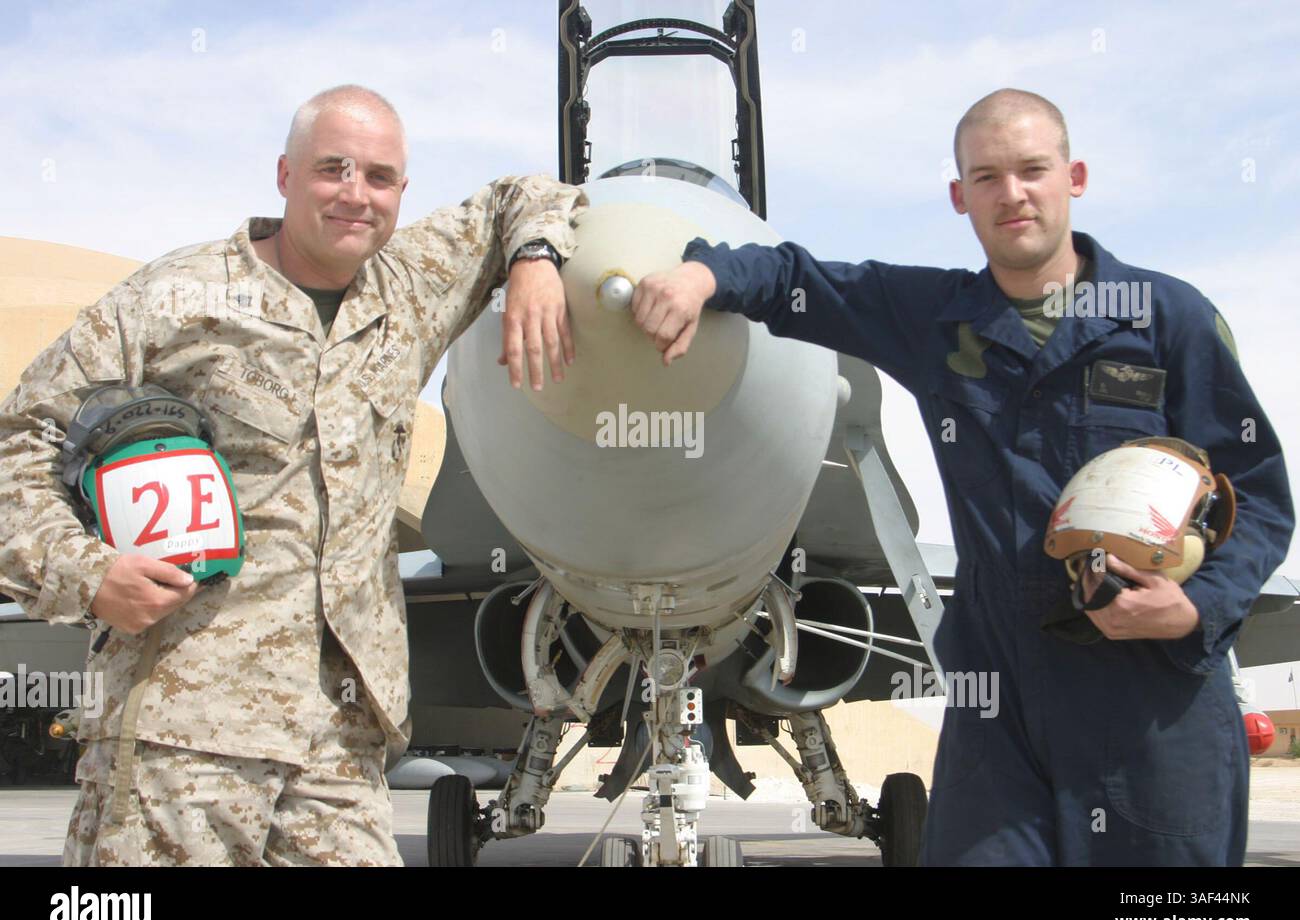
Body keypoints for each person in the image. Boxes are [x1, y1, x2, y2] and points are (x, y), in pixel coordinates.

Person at [628, 88, 1294, 865]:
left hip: (1150, 696)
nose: (1012, 194)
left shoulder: (1166, 319)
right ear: (959, 196)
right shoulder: (935, 318)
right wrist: (702, 277)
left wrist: (1195, 608)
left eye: (1032, 170)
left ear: (1073, 177)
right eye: (986, 177)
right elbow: (794, 280)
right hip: (999, 706)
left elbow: (1260, 495)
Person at [0, 84, 587, 865]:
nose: (356, 194)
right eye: (332, 169)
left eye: (379, 177)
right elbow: (21, 447)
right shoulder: (177, 297)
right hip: (183, 728)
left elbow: (530, 194)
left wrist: (536, 261)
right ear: (284, 176)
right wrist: (86, 574)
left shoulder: (410, 286)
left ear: (402, 192)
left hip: (341, 746)